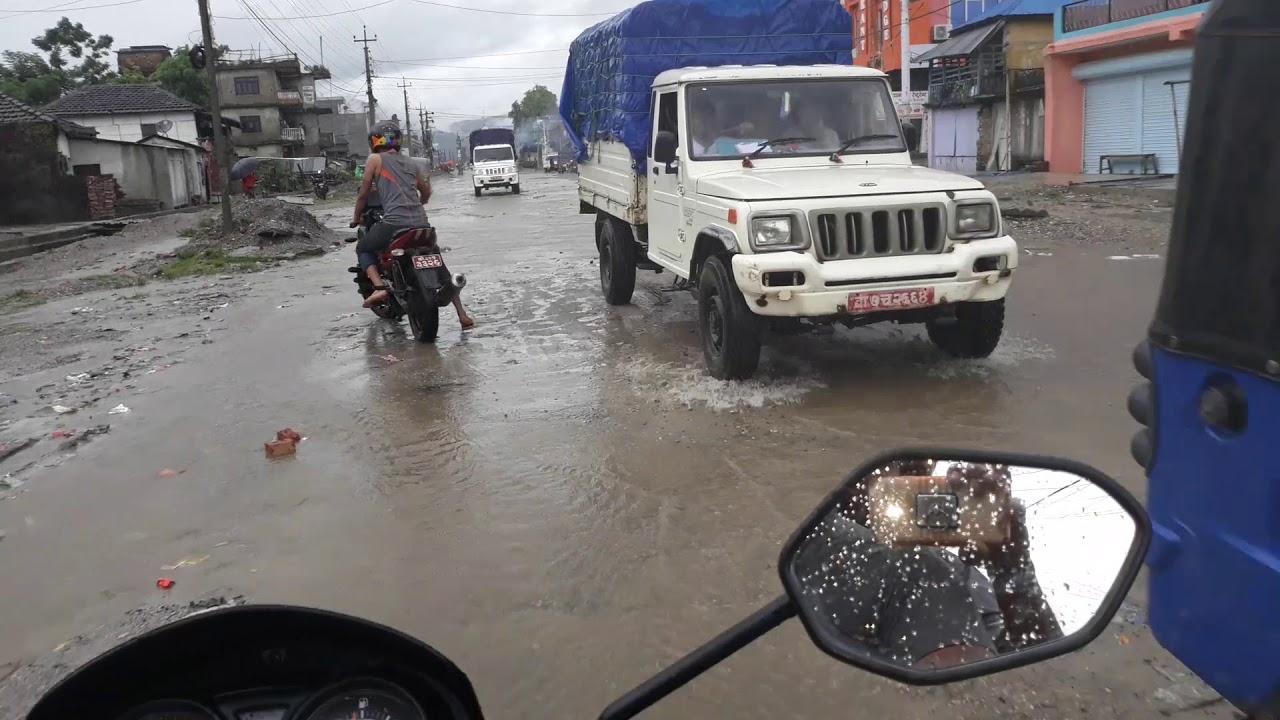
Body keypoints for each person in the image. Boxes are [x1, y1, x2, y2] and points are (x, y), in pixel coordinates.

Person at [792, 461, 1063, 667]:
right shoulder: (815, 526)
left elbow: (1034, 677)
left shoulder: (960, 575)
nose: (909, 479)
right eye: (904, 465)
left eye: (920, 469)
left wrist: (1013, 572)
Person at [351, 121, 474, 329]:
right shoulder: (411, 163)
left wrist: (356, 218)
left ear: (374, 141)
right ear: (398, 141)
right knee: (438, 264)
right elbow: (425, 191)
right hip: (422, 225)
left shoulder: (375, 159)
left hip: (394, 224)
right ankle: (462, 315)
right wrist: (420, 204)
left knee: (362, 247)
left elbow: (363, 194)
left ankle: (379, 287)